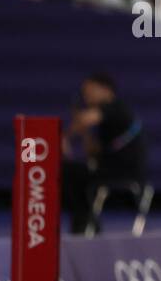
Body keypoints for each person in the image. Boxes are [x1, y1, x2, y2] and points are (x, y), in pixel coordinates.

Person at [61, 73, 147, 234]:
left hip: (124, 171)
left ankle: (84, 220)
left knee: (67, 172)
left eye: (89, 91)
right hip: (109, 168)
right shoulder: (106, 122)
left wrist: (64, 135)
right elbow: (94, 152)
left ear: (105, 90)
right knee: (71, 173)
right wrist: (85, 135)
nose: (86, 96)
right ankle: (86, 219)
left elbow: (86, 119)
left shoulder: (115, 107)